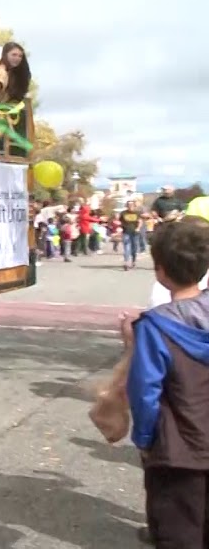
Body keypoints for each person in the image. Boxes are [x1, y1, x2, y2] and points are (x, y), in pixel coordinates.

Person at [126, 216, 209, 548]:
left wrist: (145, 439)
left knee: (178, 533)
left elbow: (144, 390)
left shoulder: (154, 327)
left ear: (160, 270)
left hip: (176, 452)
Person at [122, 200, 144, 271]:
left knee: (134, 248)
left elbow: (140, 222)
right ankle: (126, 263)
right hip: (126, 232)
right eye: (128, 205)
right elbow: (120, 221)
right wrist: (119, 227)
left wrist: (138, 228)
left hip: (135, 233)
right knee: (126, 247)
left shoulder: (137, 213)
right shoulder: (123, 213)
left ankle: (133, 261)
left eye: (131, 205)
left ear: (134, 206)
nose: (130, 206)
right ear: (126, 206)